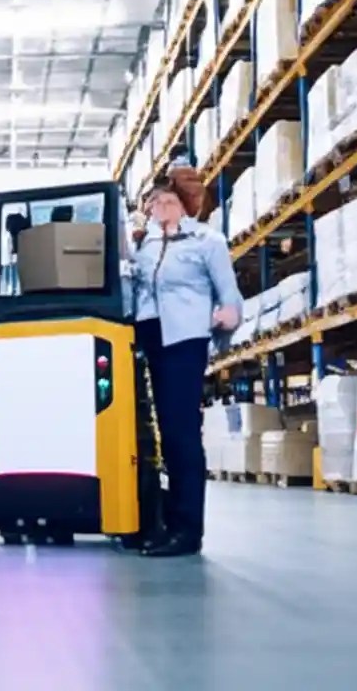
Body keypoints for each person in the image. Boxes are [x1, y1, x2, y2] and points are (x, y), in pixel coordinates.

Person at [128, 161, 242, 557]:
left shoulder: (207, 241)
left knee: (181, 435)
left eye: (169, 201)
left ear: (186, 205)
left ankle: (187, 530)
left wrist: (227, 318)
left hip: (185, 340)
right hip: (153, 338)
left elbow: (229, 292)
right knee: (164, 433)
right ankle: (167, 522)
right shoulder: (146, 242)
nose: (161, 207)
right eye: (156, 201)